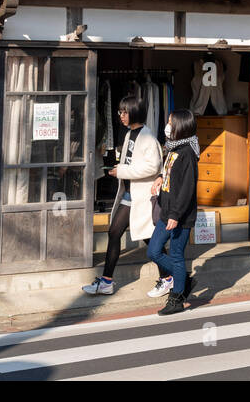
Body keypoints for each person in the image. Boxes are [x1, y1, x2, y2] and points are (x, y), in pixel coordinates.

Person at [83, 94, 162, 296]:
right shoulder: (129, 134)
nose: (121, 115)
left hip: (140, 195)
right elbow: (133, 163)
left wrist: (123, 171)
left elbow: (153, 167)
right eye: (120, 111)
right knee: (117, 233)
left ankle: (169, 277)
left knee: (147, 238)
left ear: (135, 112)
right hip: (129, 194)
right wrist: (119, 168)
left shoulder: (148, 137)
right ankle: (107, 281)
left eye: (124, 111)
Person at [148, 108, 200, 315]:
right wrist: (160, 178)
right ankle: (182, 279)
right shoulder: (173, 148)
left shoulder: (187, 153)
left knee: (177, 255)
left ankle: (177, 299)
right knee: (153, 251)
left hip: (179, 215)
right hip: (167, 210)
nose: (167, 125)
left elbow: (187, 189)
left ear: (181, 125)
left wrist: (175, 215)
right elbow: (169, 172)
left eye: (170, 121)